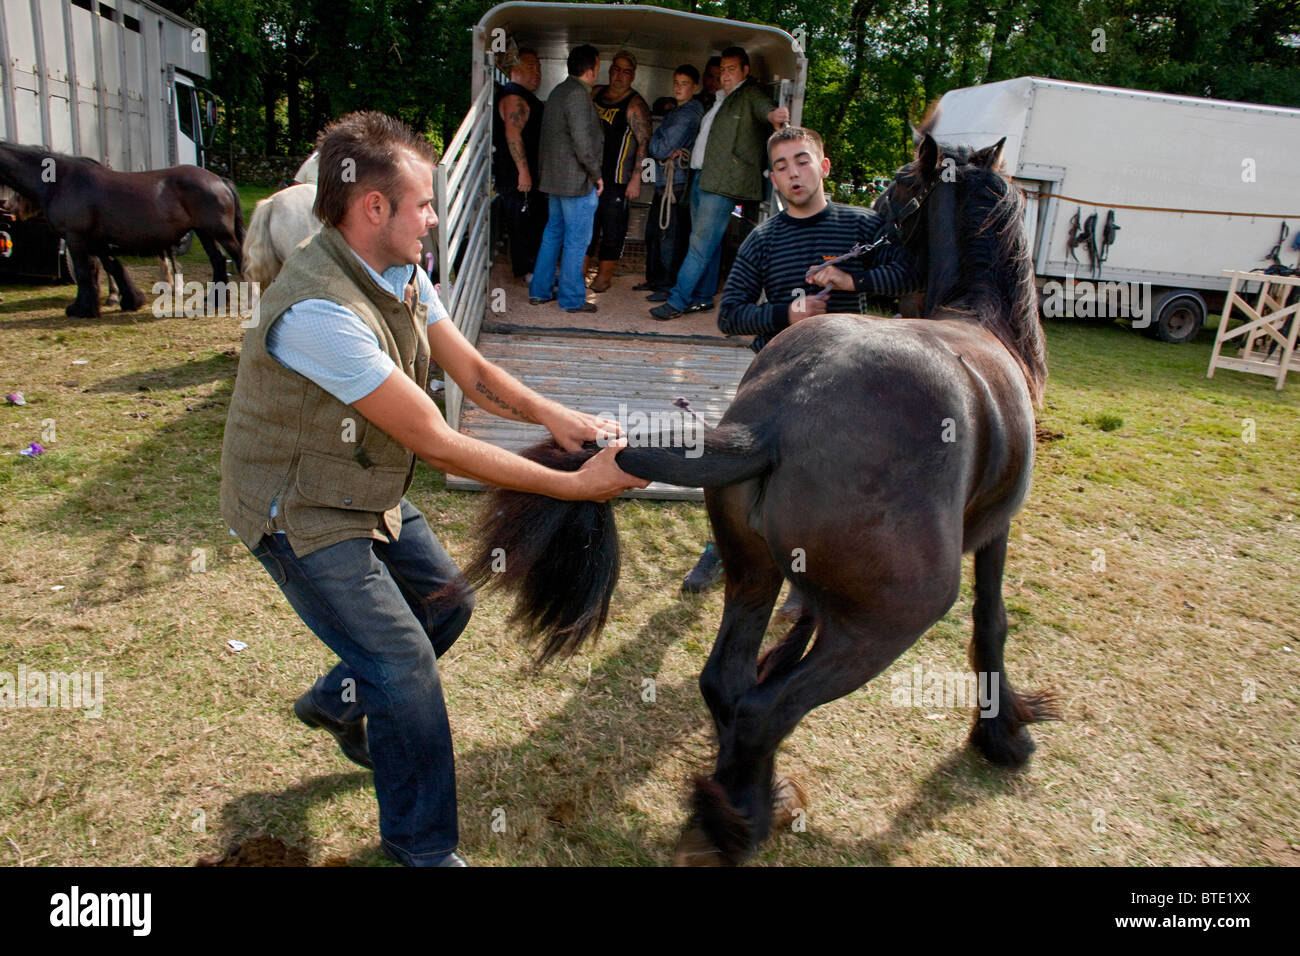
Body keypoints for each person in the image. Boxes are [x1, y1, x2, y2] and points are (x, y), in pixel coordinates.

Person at [220, 111, 647, 868]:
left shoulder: (403, 276)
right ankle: (421, 849)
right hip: (300, 511)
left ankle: (335, 701)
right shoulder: (321, 311)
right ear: (372, 207)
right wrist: (574, 486)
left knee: (446, 609)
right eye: (424, 203)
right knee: (403, 663)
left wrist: (558, 415)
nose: (434, 218)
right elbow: (436, 439)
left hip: (362, 487)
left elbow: (474, 376)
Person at [681, 126, 923, 596]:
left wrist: (852, 282)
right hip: (778, 378)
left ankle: (806, 576)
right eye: (781, 166)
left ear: (824, 166)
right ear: (771, 178)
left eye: (802, 160)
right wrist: (786, 313)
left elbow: (908, 274)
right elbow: (730, 316)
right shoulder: (762, 240)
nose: (793, 173)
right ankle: (720, 550)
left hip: (851, 376)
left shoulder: (863, 227)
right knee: (745, 473)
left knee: (833, 478)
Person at [650, 46, 788, 322]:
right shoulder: (721, 99)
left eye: (732, 69)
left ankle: (678, 300)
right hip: (703, 177)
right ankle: (702, 298)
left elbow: (764, 110)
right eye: (722, 70)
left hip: (722, 181)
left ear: (745, 71)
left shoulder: (749, 94)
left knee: (700, 245)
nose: (725, 75)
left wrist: (774, 116)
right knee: (706, 244)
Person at [529, 44, 604, 313]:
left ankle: (540, 291)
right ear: (592, 68)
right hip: (576, 182)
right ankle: (572, 299)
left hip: (554, 180)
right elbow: (583, 144)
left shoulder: (558, 92)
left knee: (552, 235)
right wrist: (596, 174)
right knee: (576, 241)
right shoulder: (579, 96)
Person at [587, 50, 652, 293]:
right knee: (587, 227)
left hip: (617, 178)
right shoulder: (595, 93)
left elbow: (644, 143)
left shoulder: (635, 104)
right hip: (590, 176)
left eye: (626, 71)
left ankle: (604, 277)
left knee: (613, 228)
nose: (620, 75)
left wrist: (636, 178)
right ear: (609, 69)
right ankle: (581, 272)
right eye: (616, 68)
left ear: (633, 75)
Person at [643, 65, 703, 300]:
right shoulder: (678, 111)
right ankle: (657, 280)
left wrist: (655, 142)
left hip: (675, 182)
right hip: (667, 180)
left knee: (670, 236)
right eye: (676, 82)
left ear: (694, 87)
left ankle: (668, 284)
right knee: (657, 233)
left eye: (684, 83)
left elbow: (660, 148)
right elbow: (663, 147)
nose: (678, 87)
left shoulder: (688, 113)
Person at [493, 47, 546, 282]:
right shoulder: (514, 96)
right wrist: (523, 172)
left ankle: (531, 270)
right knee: (524, 223)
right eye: (531, 66)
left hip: (523, 175)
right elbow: (513, 134)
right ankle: (528, 272)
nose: (537, 72)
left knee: (531, 221)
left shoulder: (521, 95)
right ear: (515, 68)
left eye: (540, 67)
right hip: (517, 177)